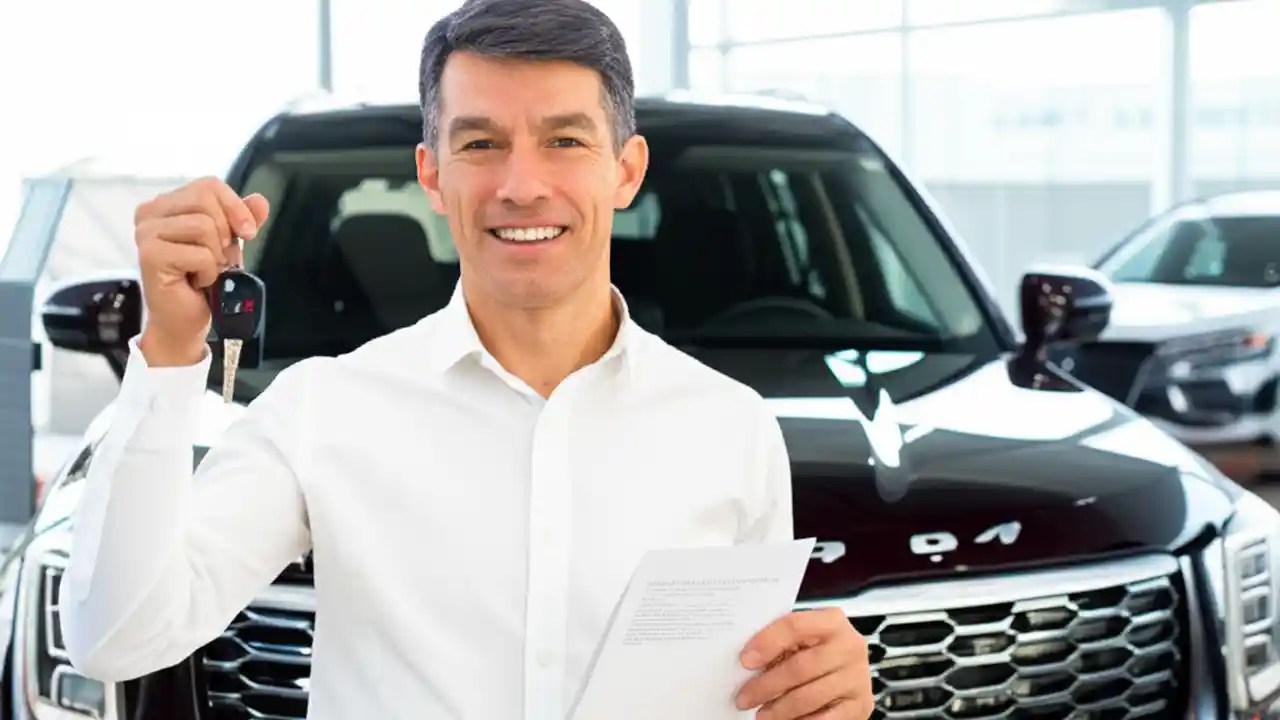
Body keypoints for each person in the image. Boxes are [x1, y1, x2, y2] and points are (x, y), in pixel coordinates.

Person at [59, 0, 873, 717]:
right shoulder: (321, 412)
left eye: (564, 140)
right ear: (432, 174)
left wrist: (821, 690)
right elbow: (117, 638)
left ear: (625, 171)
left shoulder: (730, 428)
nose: (521, 184)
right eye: (481, 143)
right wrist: (169, 350)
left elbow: (752, 688)